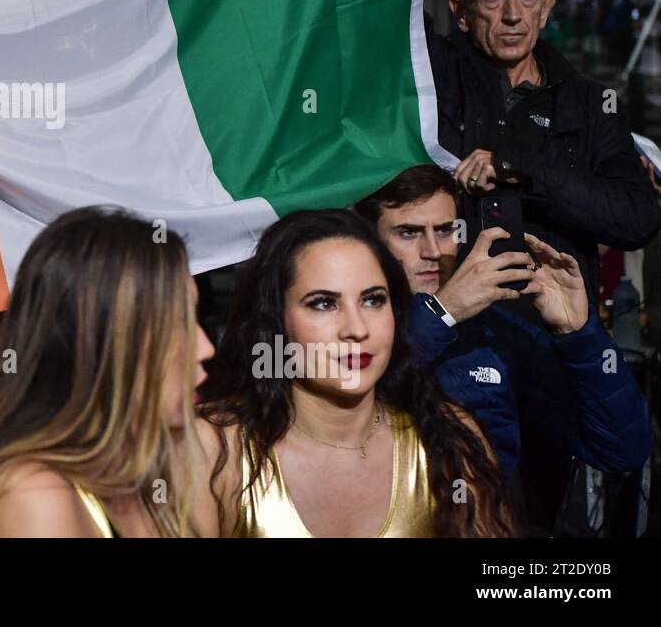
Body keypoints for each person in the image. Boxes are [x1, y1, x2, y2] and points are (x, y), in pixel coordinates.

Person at [357, 165, 651, 530]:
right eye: (408, 232)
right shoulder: (343, 330)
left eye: (446, 230)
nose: (432, 250)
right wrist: (443, 313)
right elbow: (354, 401)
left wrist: (580, 336)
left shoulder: (499, 332)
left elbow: (623, 450)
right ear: (371, 241)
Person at [196, 209, 514, 537]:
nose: (356, 329)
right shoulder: (214, 448)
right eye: (323, 303)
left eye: (373, 300)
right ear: (275, 319)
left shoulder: (449, 440)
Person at [0, 207, 214, 537]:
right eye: (179, 322)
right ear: (103, 342)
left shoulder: (148, 478)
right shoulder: (36, 498)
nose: (205, 349)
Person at [427, 0, 661, 311]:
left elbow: (636, 218)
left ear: (545, 8)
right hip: (456, 333)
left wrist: (519, 168)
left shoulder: (592, 105)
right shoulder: (434, 78)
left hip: (558, 336)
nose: (513, 14)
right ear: (460, 12)